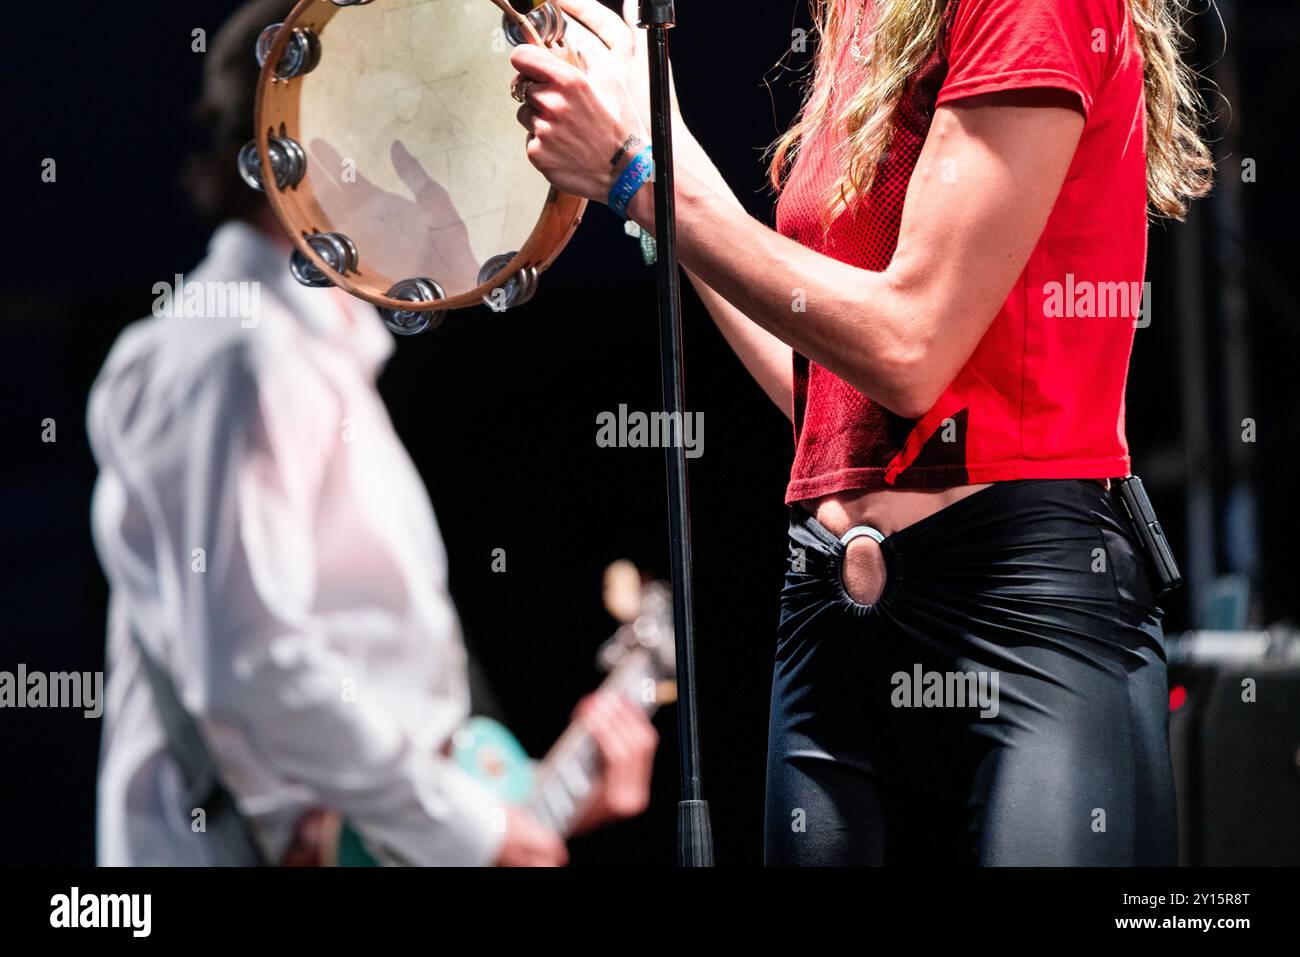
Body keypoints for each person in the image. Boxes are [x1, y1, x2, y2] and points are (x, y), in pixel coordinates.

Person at [513, 0, 1213, 864]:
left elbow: (909, 346)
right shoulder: (867, 17)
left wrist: (637, 177)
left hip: (1016, 620)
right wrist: (653, 138)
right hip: (829, 616)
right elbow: (825, 398)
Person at [87, 0, 656, 867]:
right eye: (409, 117)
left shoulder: (307, 353)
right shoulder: (236, 354)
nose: (442, 159)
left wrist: (535, 793)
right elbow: (249, 658)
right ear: (326, 122)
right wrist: (464, 829)